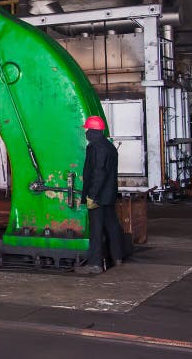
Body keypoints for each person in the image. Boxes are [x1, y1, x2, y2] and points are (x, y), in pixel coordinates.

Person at [76, 115, 124, 275]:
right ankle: (117, 257)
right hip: (109, 195)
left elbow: (99, 173)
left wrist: (92, 195)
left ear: (93, 131)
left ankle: (95, 264)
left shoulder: (97, 147)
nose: (86, 133)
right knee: (112, 226)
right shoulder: (109, 146)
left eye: (88, 130)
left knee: (96, 230)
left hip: (99, 196)